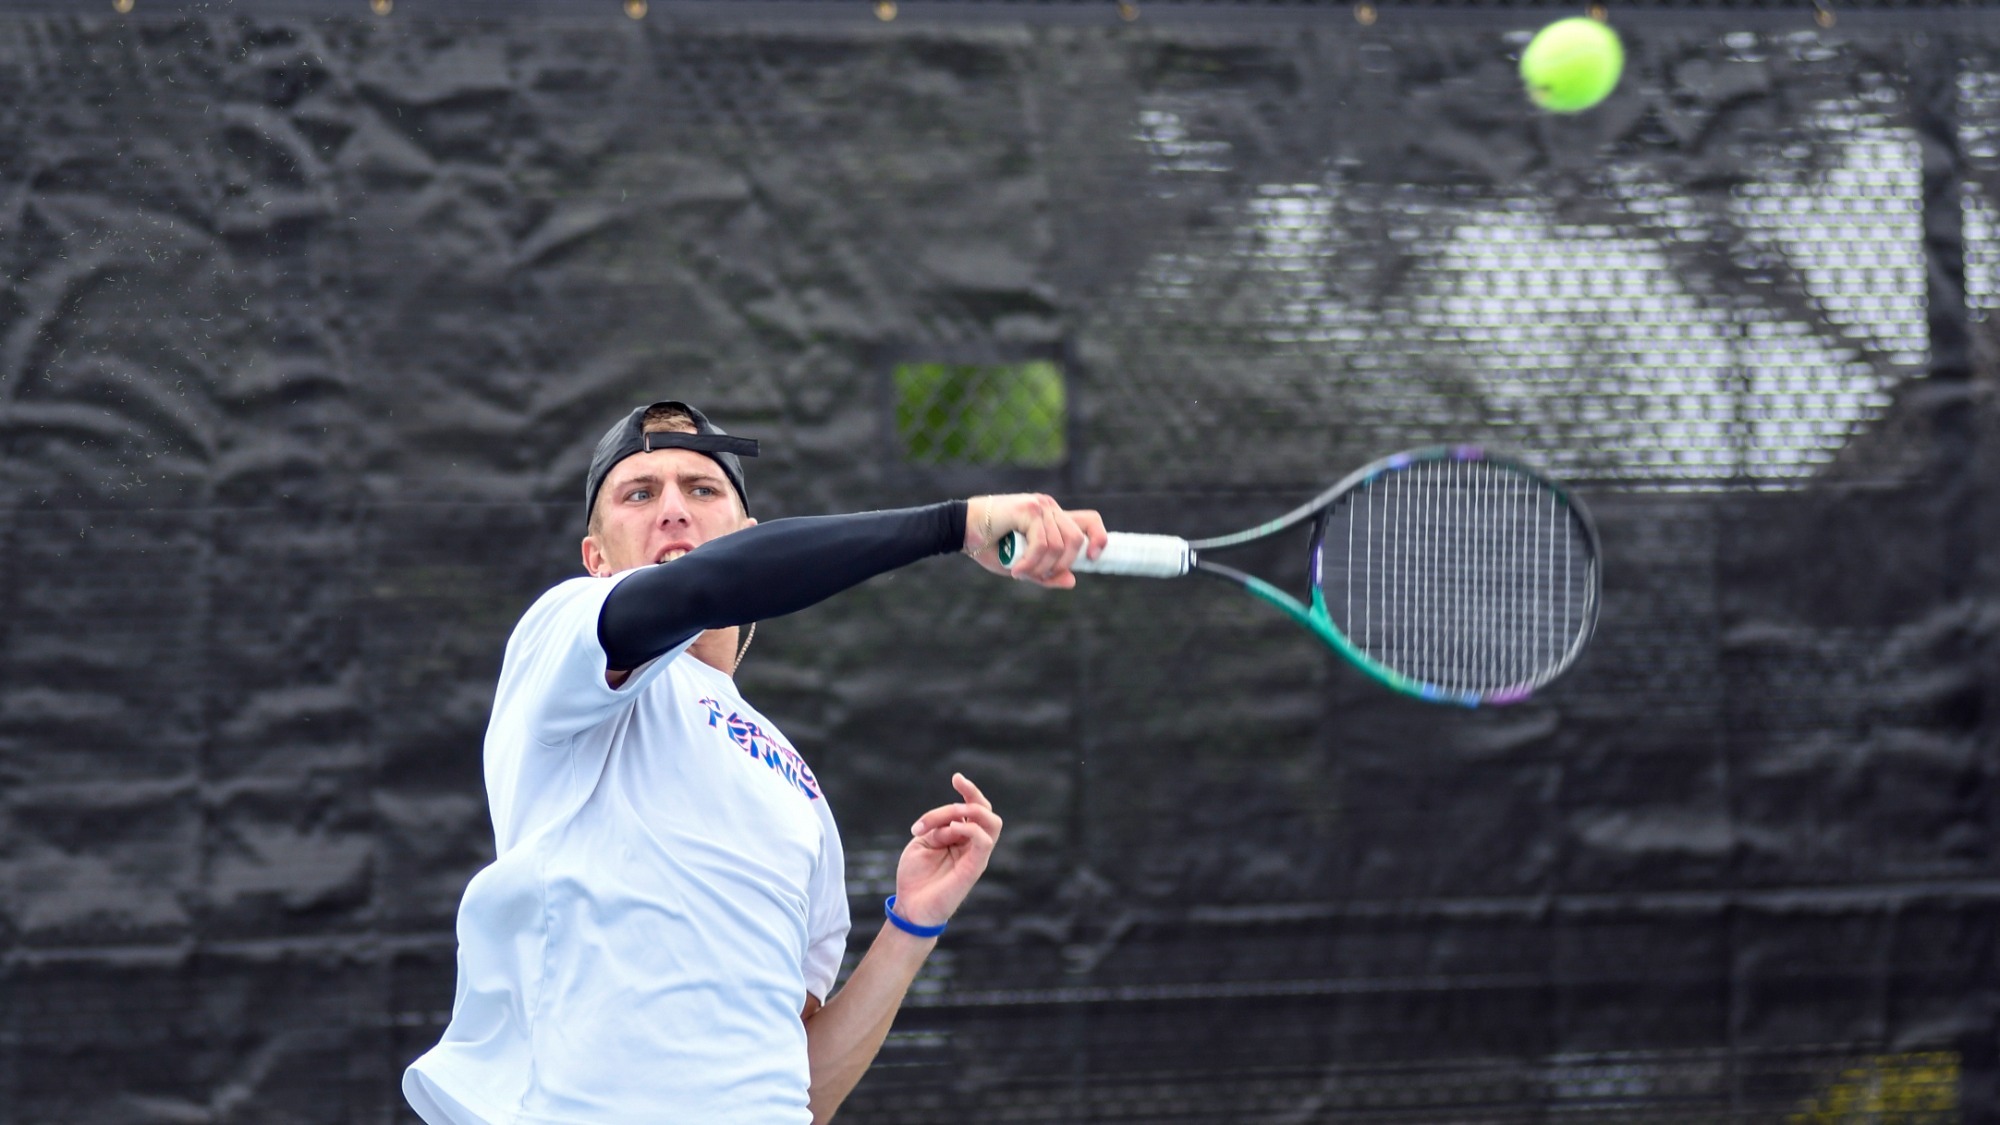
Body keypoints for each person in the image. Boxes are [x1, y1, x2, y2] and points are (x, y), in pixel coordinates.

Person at [403, 400, 1106, 1125]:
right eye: (639, 493)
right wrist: (957, 524)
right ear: (597, 558)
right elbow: (708, 585)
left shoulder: (797, 790)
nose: (673, 509)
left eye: (702, 488)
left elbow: (805, 1087)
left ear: (747, 534)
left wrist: (911, 927)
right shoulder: (564, 636)